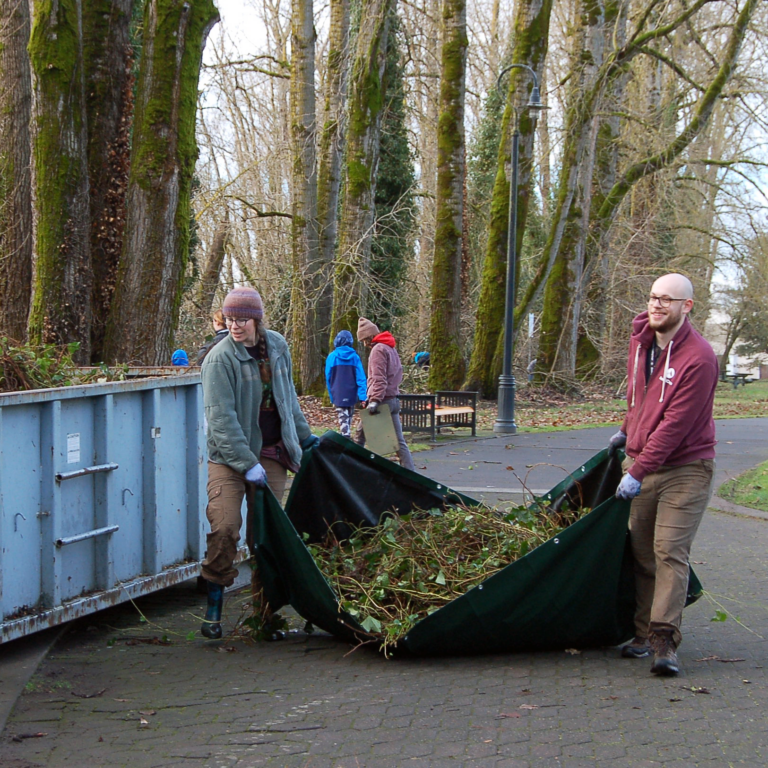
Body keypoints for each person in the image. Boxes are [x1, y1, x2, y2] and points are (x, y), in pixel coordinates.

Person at [609, 273, 718, 676]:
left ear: (686, 307)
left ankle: (664, 641)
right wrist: (626, 431)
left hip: (686, 469)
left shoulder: (699, 358)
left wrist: (637, 470)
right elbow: (640, 398)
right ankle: (641, 633)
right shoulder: (641, 344)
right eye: (654, 298)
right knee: (642, 555)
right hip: (643, 463)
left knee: (669, 551)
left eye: (667, 300)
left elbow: (675, 423)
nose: (657, 305)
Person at [199, 286, 319, 639]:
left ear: (257, 319)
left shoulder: (277, 347)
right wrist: (245, 462)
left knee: (265, 537)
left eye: (242, 319)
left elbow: (287, 399)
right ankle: (213, 610)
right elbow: (220, 420)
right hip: (229, 459)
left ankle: (265, 617)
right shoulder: (219, 360)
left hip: (272, 454)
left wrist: (305, 437)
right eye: (230, 319)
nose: (235, 326)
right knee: (224, 529)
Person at [355, 317, 415, 472]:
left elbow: (378, 378)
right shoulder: (390, 348)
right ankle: (410, 473)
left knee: (360, 436)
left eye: (363, 340)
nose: (363, 344)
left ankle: (351, 466)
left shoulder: (378, 350)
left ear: (367, 338)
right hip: (393, 399)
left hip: (382, 401)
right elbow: (397, 374)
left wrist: (374, 400)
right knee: (399, 442)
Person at [325, 330, 367, 438]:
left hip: (337, 392)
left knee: (342, 418)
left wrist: (331, 396)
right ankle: (346, 437)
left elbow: (328, 378)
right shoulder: (355, 357)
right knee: (348, 417)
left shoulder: (332, 357)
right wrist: (363, 397)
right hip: (351, 393)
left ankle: (345, 438)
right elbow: (361, 378)